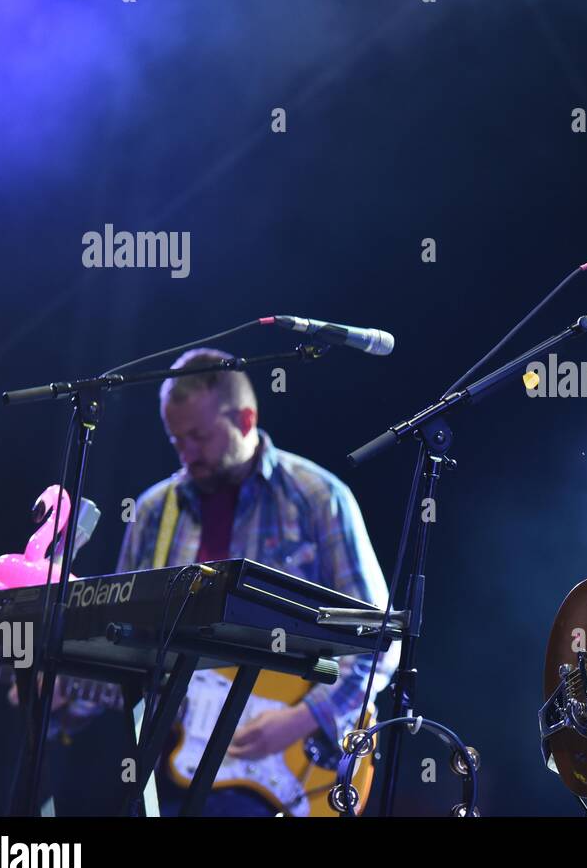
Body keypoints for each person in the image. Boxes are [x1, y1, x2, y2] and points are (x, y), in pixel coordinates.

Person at [43, 347, 397, 816]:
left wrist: (305, 718)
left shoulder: (318, 498)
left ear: (246, 420)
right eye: (176, 441)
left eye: (199, 437)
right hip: (168, 763)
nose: (187, 454)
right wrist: (63, 693)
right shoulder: (154, 512)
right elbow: (123, 651)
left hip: (282, 767)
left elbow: (378, 637)